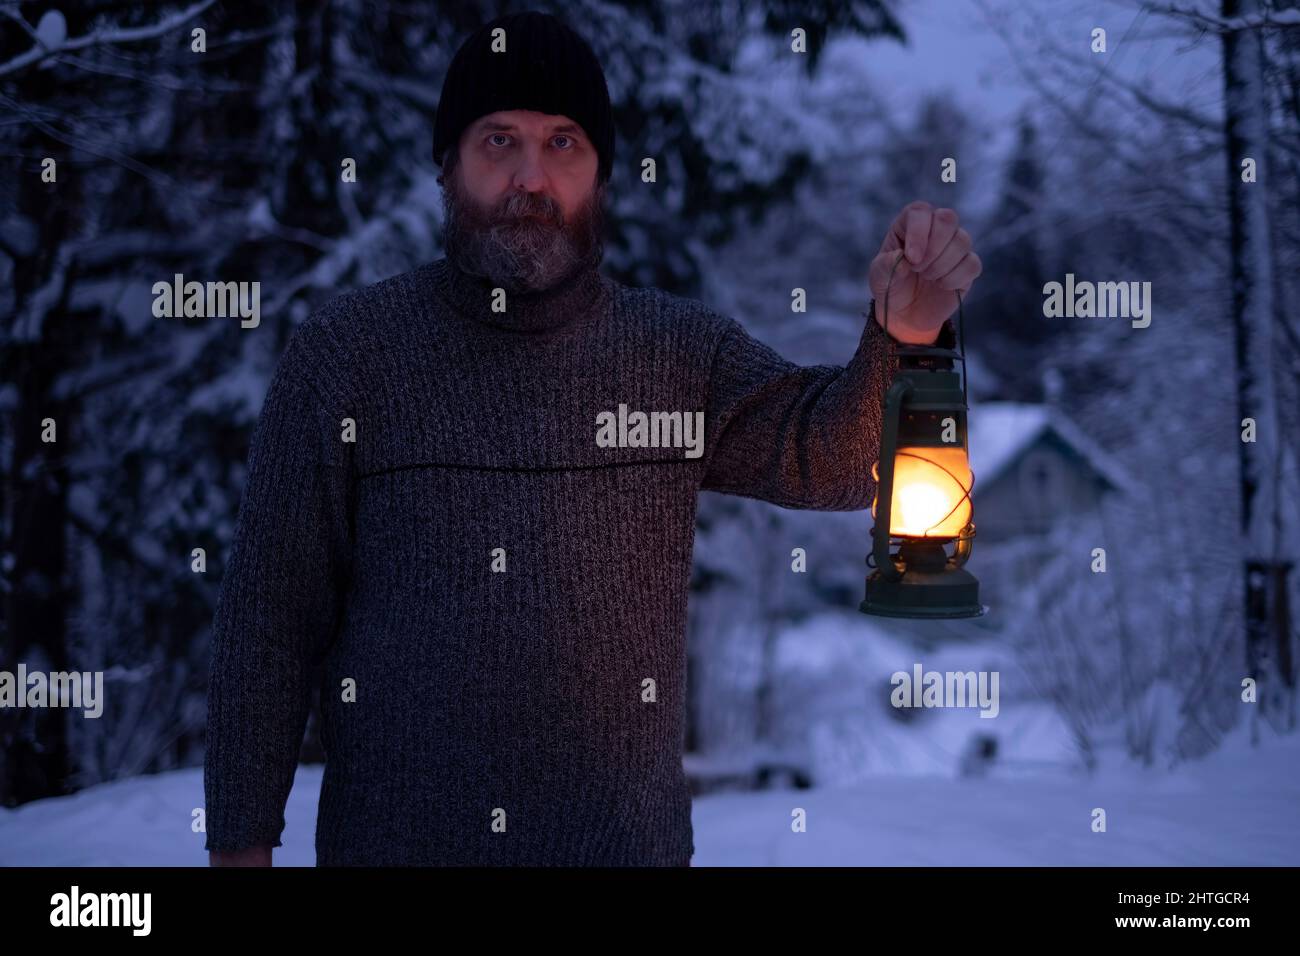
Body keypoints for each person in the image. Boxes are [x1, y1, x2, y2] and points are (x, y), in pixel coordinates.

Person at [205, 9, 981, 867]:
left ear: (601, 174)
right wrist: (240, 845)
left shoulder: (675, 357)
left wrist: (904, 334)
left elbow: (834, 461)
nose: (531, 179)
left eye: (563, 142)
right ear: (447, 167)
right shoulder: (349, 356)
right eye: (498, 140)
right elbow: (269, 622)